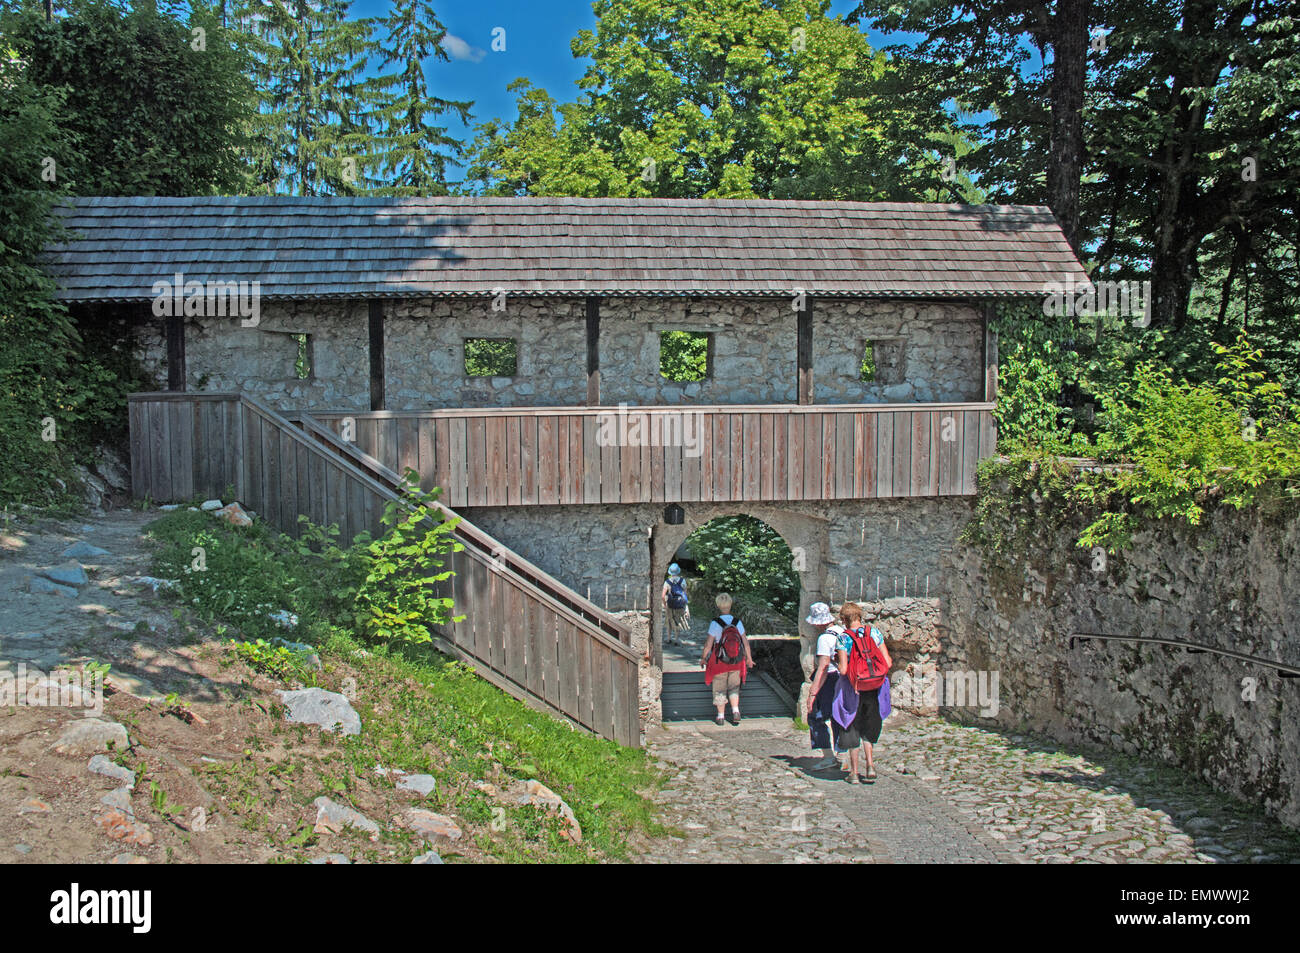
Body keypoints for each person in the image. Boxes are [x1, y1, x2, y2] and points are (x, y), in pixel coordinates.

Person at [833, 603, 892, 784]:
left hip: (853, 689)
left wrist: (836, 664)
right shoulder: (874, 633)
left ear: (844, 619)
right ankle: (871, 766)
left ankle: (854, 773)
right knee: (870, 725)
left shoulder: (843, 638)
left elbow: (843, 670)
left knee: (852, 726)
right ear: (860, 616)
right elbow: (887, 662)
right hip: (875, 689)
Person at [699, 592, 753, 726]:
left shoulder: (715, 623)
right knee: (734, 686)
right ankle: (735, 711)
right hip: (736, 661)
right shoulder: (737, 622)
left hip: (719, 661)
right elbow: (745, 643)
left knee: (719, 688)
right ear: (730, 605)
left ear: (718, 605)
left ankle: (721, 716)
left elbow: (708, 644)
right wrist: (749, 659)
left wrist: (703, 658)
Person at [804, 602, 843, 770]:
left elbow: (824, 666)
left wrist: (813, 692)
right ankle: (843, 754)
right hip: (844, 677)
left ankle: (828, 756)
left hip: (830, 680)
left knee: (815, 716)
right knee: (839, 716)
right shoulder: (843, 632)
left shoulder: (824, 638)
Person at [661, 562, 691, 645]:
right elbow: (685, 594)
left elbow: (663, 596)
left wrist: (664, 604)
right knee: (678, 621)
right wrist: (686, 606)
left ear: (670, 572)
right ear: (678, 571)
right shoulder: (682, 581)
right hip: (680, 604)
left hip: (670, 604)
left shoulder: (667, 582)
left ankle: (669, 638)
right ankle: (677, 639)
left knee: (669, 621)